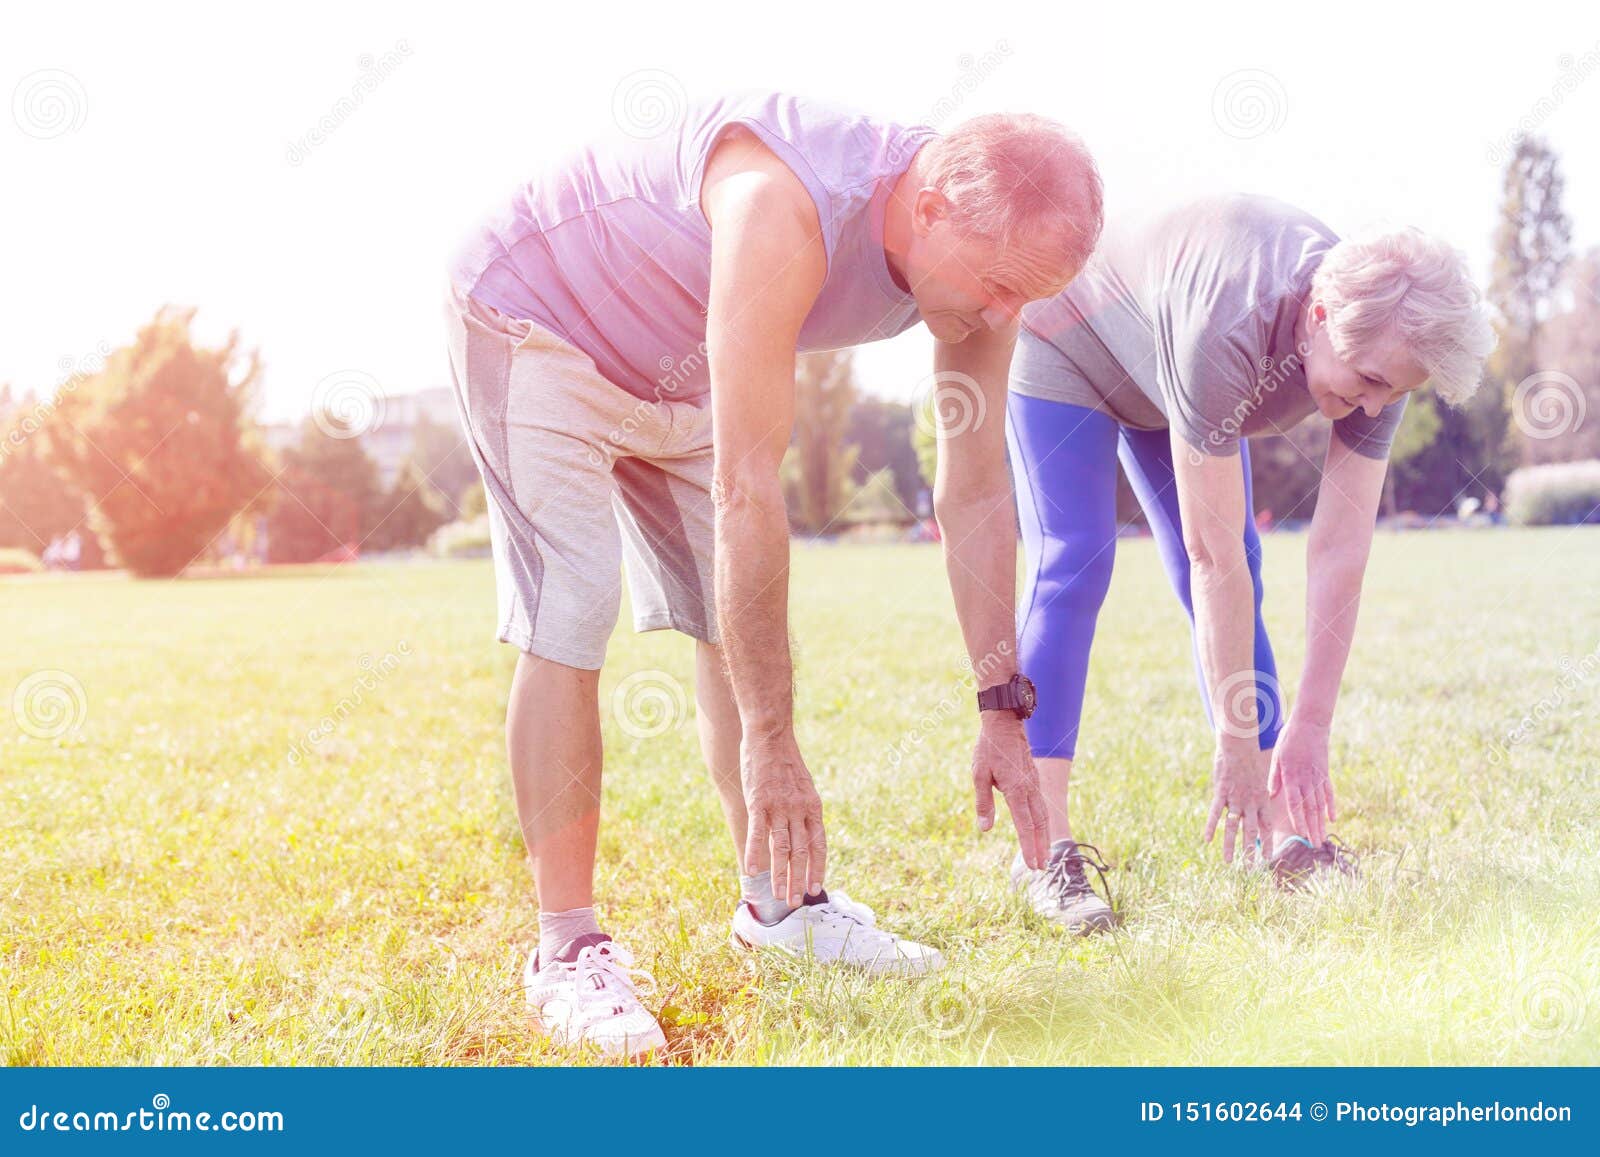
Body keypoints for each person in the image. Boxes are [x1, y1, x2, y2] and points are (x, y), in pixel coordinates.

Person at [442, 91, 1103, 1056]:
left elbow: (974, 491)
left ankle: (779, 907)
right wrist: (772, 741)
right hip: (536, 317)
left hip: (682, 364)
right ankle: (566, 947)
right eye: (1001, 286)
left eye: (1026, 298)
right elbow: (748, 485)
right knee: (572, 606)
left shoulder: (985, 271)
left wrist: (1001, 705)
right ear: (929, 210)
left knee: (731, 618)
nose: (1006, 315)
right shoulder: (781, 205)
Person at [1004, 194, 1495, 931]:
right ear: (1319, 316)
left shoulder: (1388, 351)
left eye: (1393, 391)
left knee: (1245, 565)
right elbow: (1214, 557)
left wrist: (1312, 723)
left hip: (1167, 362)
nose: (1374, 407)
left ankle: (1281, 834)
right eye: (1367, 382)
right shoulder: (1231, 325)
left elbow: (1340, 546)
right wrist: (1234, 743)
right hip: (1072, 339)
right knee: (1075, 563)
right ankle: (1041, 850)